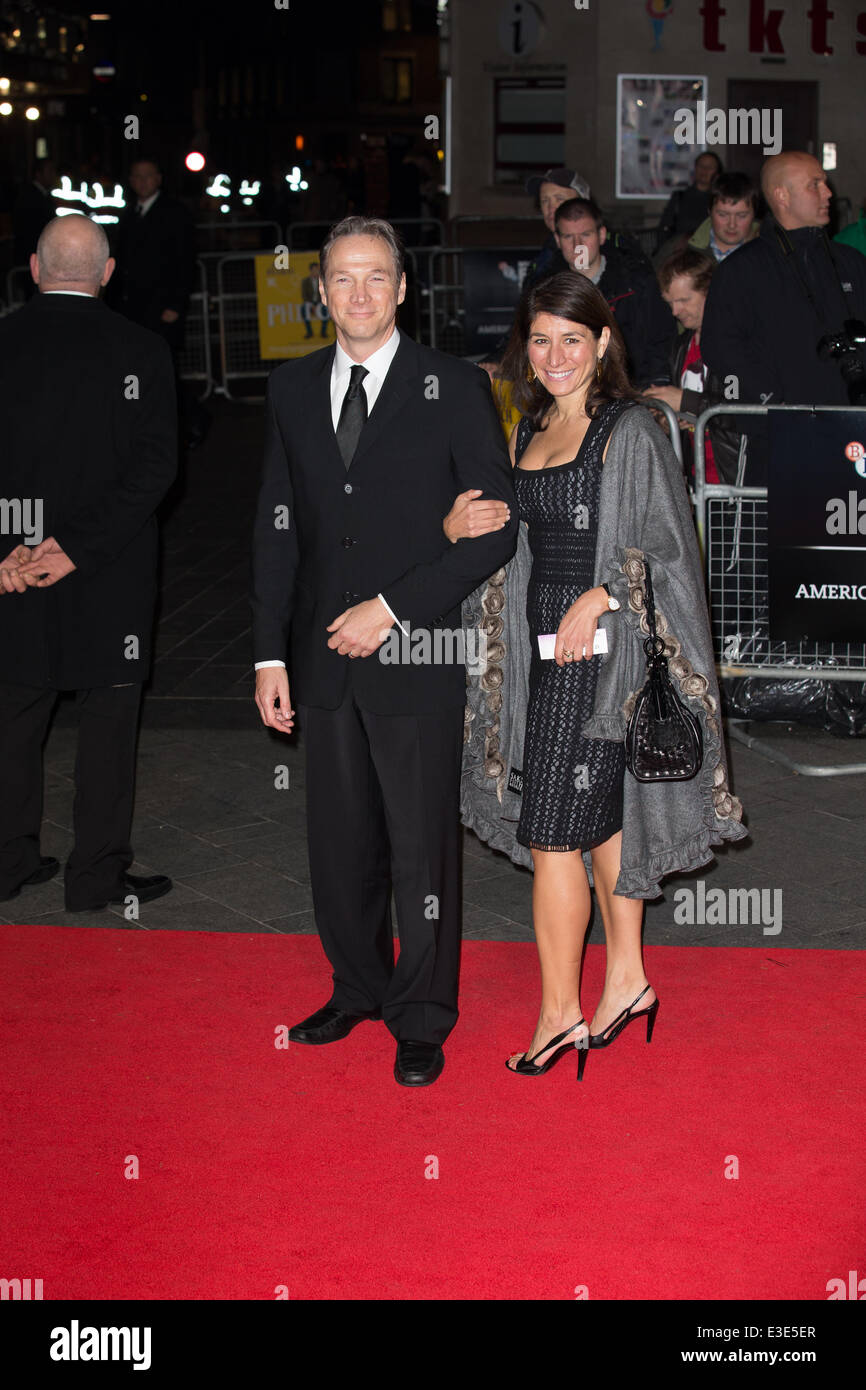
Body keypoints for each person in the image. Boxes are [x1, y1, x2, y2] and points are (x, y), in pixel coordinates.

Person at [251, 215, 519, 1088]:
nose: (358, 293)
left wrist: (394, 608)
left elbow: (491, 534)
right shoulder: (291, 391)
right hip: (320, 655)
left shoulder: (452, 385)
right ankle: (356, 986)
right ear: (320, 291)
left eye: (376, 277)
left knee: (419, 847)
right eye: (341, 278)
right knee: (339, 840)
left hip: (414, 650)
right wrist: (267, 656)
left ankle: (420, 1014)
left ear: (403, 289)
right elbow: (276, 532)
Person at [458, 271, 746, 1078]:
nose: (553, 356)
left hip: (601, 668)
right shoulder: (532, 427)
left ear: (602, 343)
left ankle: (558, 1017)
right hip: (540, 659)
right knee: (606, 822)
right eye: (540, 340)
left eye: (571, 340)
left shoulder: (633, 430)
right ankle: (627, 980)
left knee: (552, 836)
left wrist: (608, 594)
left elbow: (671, 554)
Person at [0, 215, 177, 912]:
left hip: (13, 566)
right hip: (110, 569)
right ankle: (95, 875)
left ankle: (10, 860)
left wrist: (10, 553)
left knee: (12, 711)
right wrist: (76, 546)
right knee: (107, 721)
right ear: (106, 275)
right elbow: (156, 468)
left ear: (37, 271)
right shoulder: (142, 349)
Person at [700, 150, 866, 484]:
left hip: (853, 434)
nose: (828, 193)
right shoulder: (742, 271)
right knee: (780, 534)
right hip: (779, 439)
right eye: (815, 185)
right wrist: (776, 406)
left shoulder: (850, 262)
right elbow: (720, 347)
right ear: (782, 195)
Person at [108, 155, 208, 448]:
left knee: (162, 371)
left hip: (162, 308)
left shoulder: (174, 213)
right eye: (136, 176)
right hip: (133, 310)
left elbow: (185, 262)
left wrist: (176, 304)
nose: (142, 182)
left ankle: (190, 421)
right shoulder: (129, 214)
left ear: (159, 179)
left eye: (147, 176)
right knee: (144, 371)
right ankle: (170, 425)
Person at [477, 166, 592, 376]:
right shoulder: (546, 255)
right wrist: (500, 360)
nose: (551, 208)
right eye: (545, 201)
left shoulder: (606, 255)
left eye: (559, 198)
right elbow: (524, 323)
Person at [643, 247, 744, 484]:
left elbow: (742, 410)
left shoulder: (736, 344)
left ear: (711, 292)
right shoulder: (682, 345)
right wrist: (666, 420)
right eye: (670, 302)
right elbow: (691, 414)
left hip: (733, 478)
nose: (675, 311)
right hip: (696, 477)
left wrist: (685, 400)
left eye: (684, 300)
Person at [553, 197, 674, 387]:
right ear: (557, 240)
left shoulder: (636, 284)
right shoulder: (548, 292)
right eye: (568, 237)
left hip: (631, 393)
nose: (578, 245)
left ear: (601, 235)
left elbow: (661, 340)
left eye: (585, 235)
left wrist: (656, 386)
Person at [655, 151, 723, 253]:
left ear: (717, 173)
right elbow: (664, 229)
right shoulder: (679, 197)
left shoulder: (720, 200)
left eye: (710, 167)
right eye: (701, 166)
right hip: (677, 252)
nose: (704, 170)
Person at [689, 172, 760, 262]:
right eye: (723, 215)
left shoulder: (770, 253)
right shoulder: (683, 250)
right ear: (709, 211)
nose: (732, 225)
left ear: (754, 214)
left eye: (742, 216)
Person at [12, 158, 57, 298]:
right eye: (49, 171)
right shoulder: (31, 198)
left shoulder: (43, 196)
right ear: (38, 174)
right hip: (32, 260)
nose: (53, 175)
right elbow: (31, 232)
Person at [300, 260, 328, 339]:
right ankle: (309, 332)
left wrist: (318, 304)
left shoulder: (322, 281)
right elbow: (304, 295)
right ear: (311, 270)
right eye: (314, 269)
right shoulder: (305, 281)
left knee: (327, 310)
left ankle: (323, 332)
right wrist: (312, 305)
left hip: (320, 302)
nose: (316, 271)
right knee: (303, 309)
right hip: (309, 302)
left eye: (317, 269)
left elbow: (324, 294)